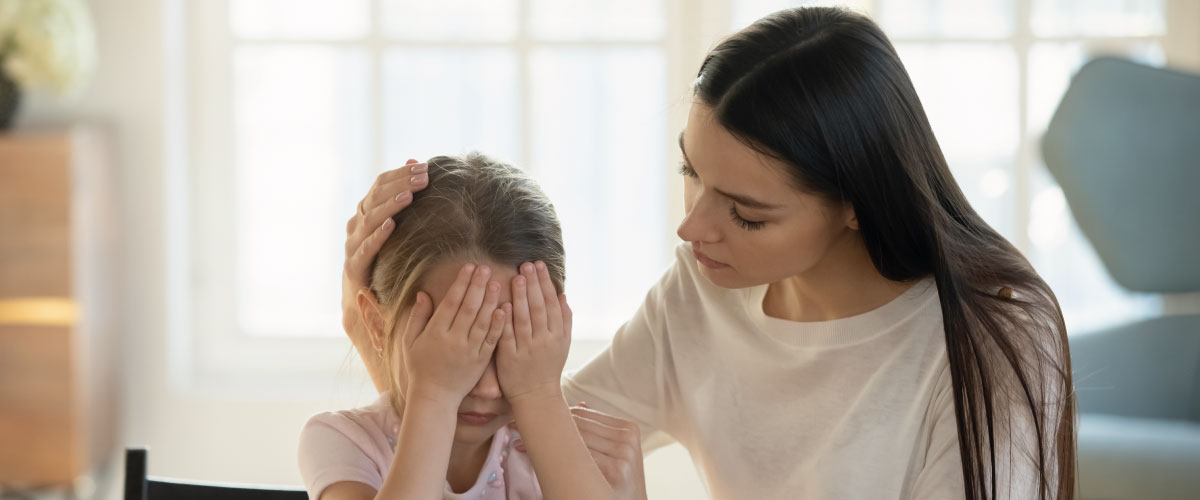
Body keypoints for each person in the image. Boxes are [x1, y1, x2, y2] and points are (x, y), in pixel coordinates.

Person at [341, 7, 1075, 500]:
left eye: (746, 214)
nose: (692, 230)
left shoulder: (993, 340)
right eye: (691, 173)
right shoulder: (702, 292)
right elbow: (495, 434)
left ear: (857, 204)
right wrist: (370, 319)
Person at [300, 153, 621, 500]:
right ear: (377, 324)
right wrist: (434, 394)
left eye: (511, 346)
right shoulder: (345, 441)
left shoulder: (555, 444)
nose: (486, 388)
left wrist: (538, 393)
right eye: (454, 345)